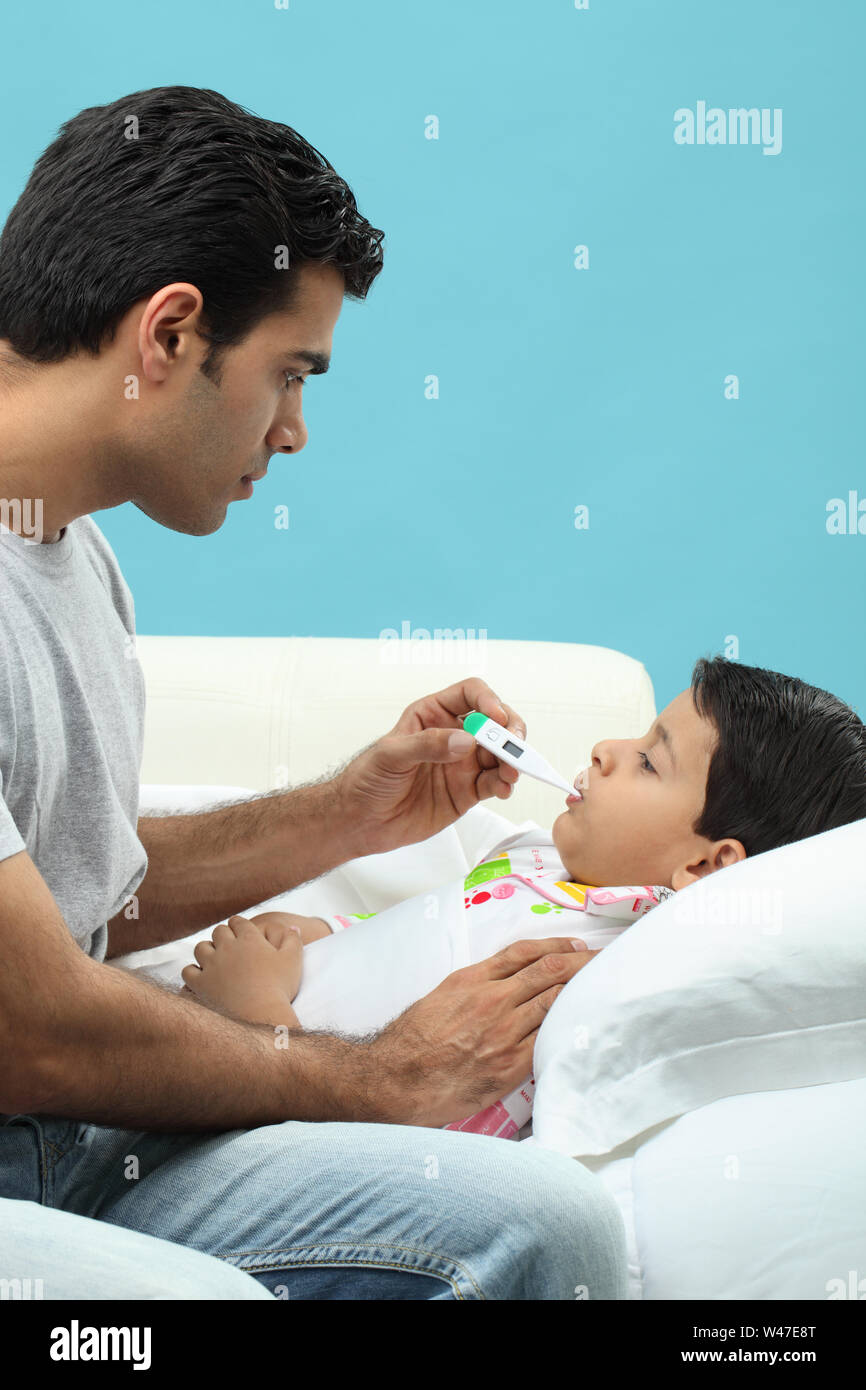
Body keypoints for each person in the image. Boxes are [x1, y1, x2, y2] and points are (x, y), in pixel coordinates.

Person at [0, 85, 626, 1299]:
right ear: (170, 335)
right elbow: (30, 1015)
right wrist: (369, 1075)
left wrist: (352, 810)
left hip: (67, 1136)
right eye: (290, 373)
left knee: (547, 1224)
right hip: (32, 1100)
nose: (292, 433)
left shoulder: (71, 554)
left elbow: (62, 903)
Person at [175, 655, 866, 1138]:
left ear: (708, 867)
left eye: (650, 761)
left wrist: (255, 1016)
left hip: (247, 1091)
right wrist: (313, 935)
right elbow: (422, 937)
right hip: (225, 1029)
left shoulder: (577, 972)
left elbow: (428, 1139)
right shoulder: (538, 862)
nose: (604, 749)